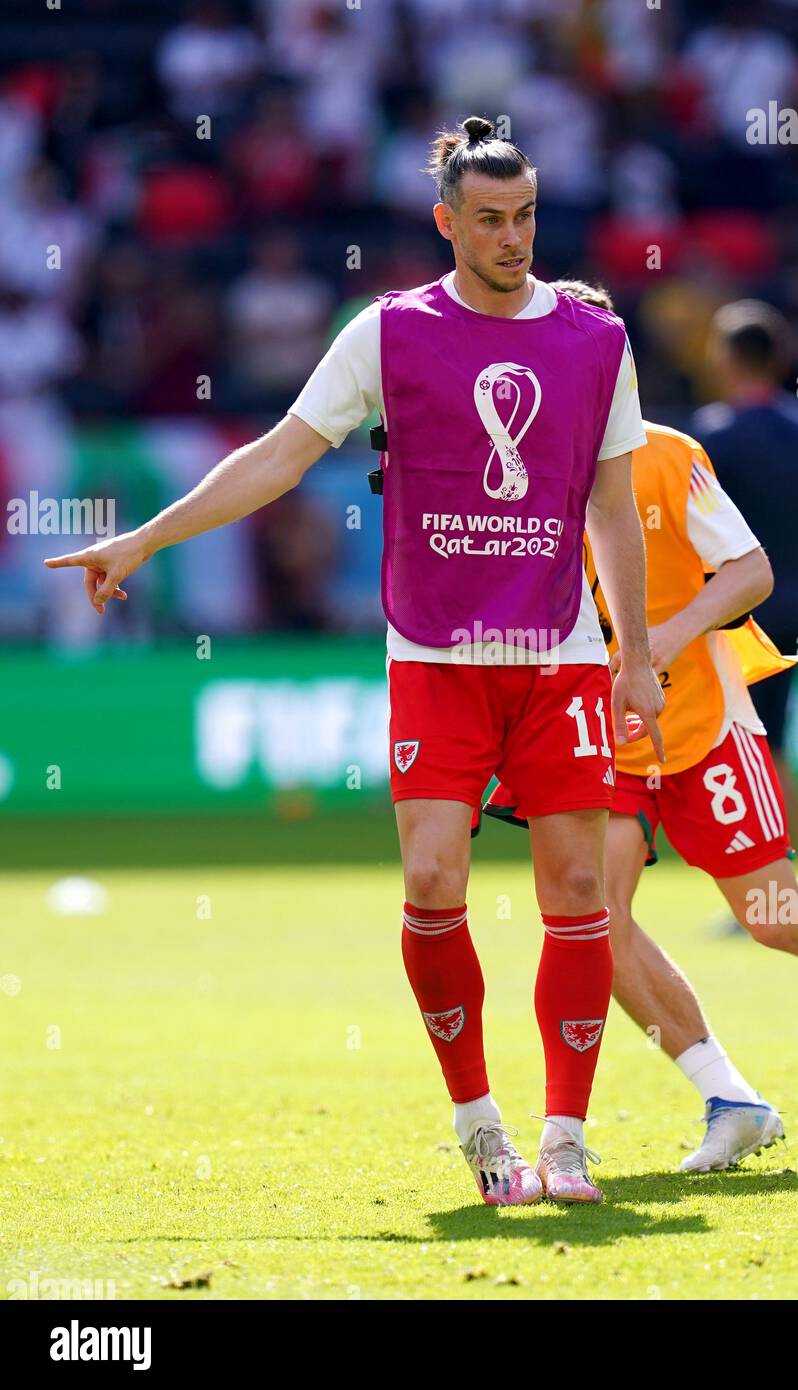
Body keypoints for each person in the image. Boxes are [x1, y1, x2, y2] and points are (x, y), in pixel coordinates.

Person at [44, 118, 665, 1208]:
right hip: (433, 653)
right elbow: (281, 456)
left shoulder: (593, 341)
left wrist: (638, 653)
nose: (512, 237)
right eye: (489, 220)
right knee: (432, 879)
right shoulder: (387, 333)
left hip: (559, 654)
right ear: (446, 223)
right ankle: (479, 1123)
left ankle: (565, 1137)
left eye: (524, 217)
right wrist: (144, 537)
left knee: (575, 889)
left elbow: (611, 505)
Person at [486, 280, 798, 1172]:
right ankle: (729, 1095)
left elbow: (748, 573)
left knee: (774, 915)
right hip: (598, 738)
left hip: (700, 722)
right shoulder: (517, 470)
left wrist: (654, 646)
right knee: (591, 914)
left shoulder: (670, 455)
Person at [691, 300, 798, 839]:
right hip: (794, 603)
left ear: (727, 356)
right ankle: (781, 881)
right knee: (778, 741)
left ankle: (753, 879)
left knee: (731, 740)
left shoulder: (713, 434)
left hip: (730, 610)